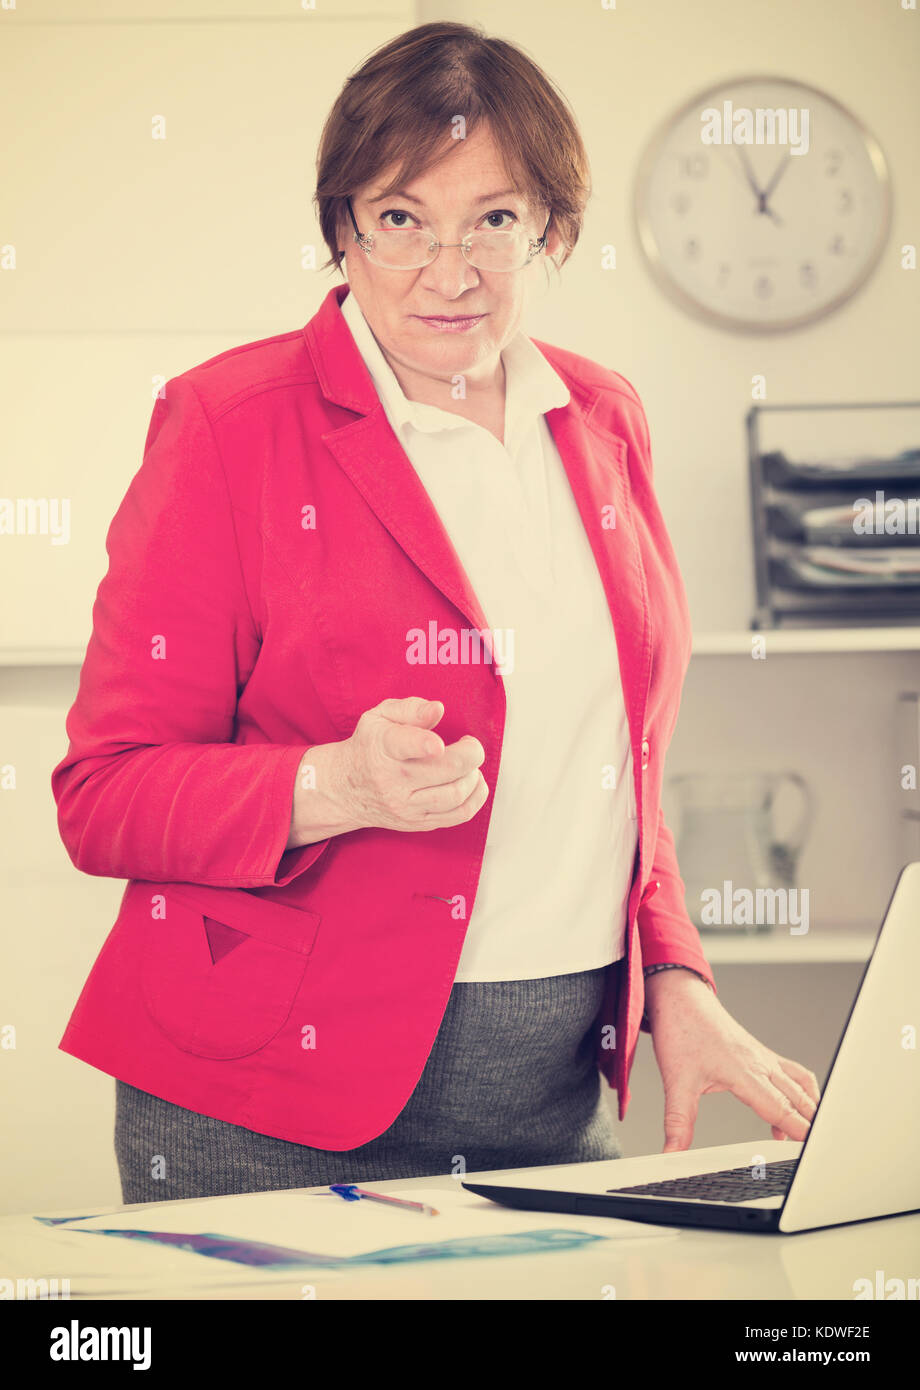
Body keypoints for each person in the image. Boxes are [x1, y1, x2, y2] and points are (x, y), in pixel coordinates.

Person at [51, 20, 819, 1204]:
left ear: (550, 229)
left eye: (494, 222)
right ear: (341, 233)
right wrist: (330, 787)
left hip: (548, 1103)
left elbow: (619, 766)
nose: (447, 271)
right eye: (400, 219)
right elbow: (103, 794)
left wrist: (675, 977)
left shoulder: (601, 416)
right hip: (264, 1107)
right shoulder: (227, 425)